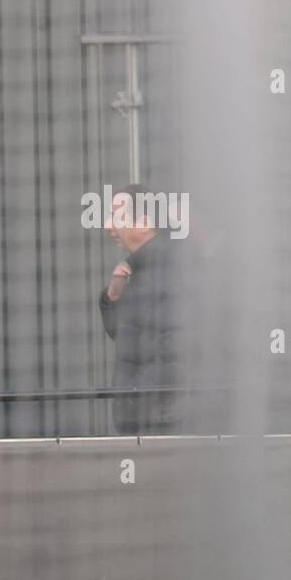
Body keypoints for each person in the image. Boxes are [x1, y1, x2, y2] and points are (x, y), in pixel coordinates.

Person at [98, 185, 192, 435]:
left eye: (117, 216)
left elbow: (174, 352)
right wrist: (113, 297)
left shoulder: (167, 271)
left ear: (145, 222)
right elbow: (123, 334)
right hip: (144, 425)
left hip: (159, 428)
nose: (108, 225)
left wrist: (133, 400)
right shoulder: (136, 269)